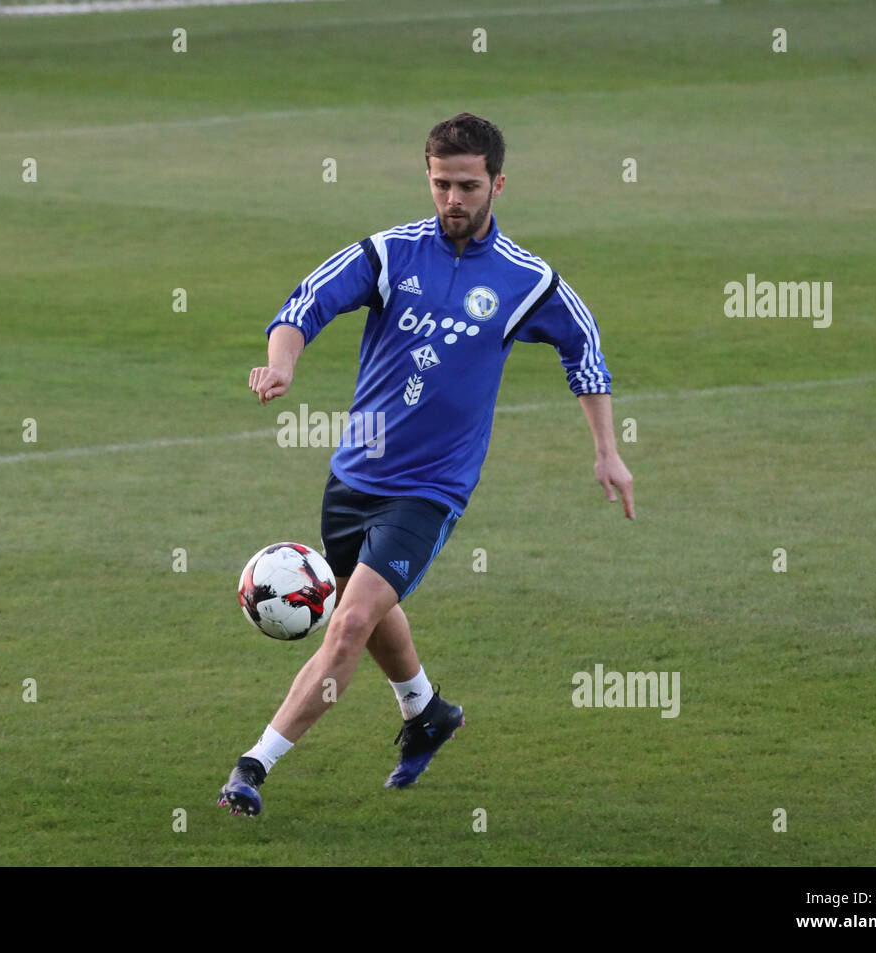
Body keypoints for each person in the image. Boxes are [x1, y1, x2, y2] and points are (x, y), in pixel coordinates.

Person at [219, 113, 635, 817]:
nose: (453, 200)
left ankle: (252, 767)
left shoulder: (523, 280)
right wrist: (282, 366)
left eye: (468, 186)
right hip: (353, 478)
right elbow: (306, 303)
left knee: (349, 623)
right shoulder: (389, 254)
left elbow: (584, 348)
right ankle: (426, 710)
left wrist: (607, 450)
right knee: (371, 612)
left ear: (498, 184)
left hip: (430, 492)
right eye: (441, 184)